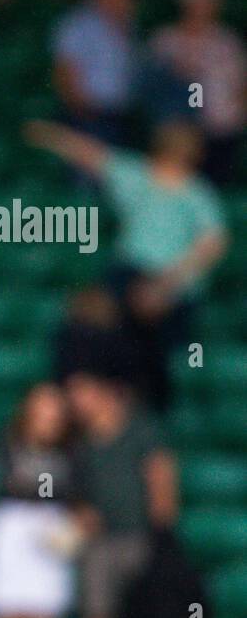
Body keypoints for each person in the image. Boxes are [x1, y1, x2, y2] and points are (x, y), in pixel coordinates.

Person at [25, 118, 229, 412]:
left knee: (145, 333)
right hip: (127, 274)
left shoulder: (197, 194)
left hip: (172, 287)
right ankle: (71, 400)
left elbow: (213, 244)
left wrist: (166, 285)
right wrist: (49, 135)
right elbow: (92, 155)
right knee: (84, 315)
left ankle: (144, 411)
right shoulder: (138, 175)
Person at [65, 371, 178, 618]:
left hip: (139, 536)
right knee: (97, 607)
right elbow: (77, 494)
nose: (76, 401)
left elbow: (161, 475)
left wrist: (161, 531)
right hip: (100, 540)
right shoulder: (81, 443)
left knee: (148, 605)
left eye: (83, 392)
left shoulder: (140, 431)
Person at [0, 384, 80, 618]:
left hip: (53, 528)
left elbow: (75, 493)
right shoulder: (9, 444)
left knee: (45, 609)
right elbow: (12, 483)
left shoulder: (72, 452)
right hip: (14, 525)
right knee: (10, 610)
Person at [149, 0, 246, 186]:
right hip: (179, 135)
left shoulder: (228, 42)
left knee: (216, 188)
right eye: (196, 1)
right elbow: (151, 88)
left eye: (207, 1)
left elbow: (241, 87)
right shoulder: (165, 40)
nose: (201, 7)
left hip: (222, 130)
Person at [51, 0, 138, 146]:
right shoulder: (78, 24)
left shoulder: (129, 24)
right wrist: (82, 110)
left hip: (121, 114)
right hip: (90, 115)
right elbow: (64, 70)